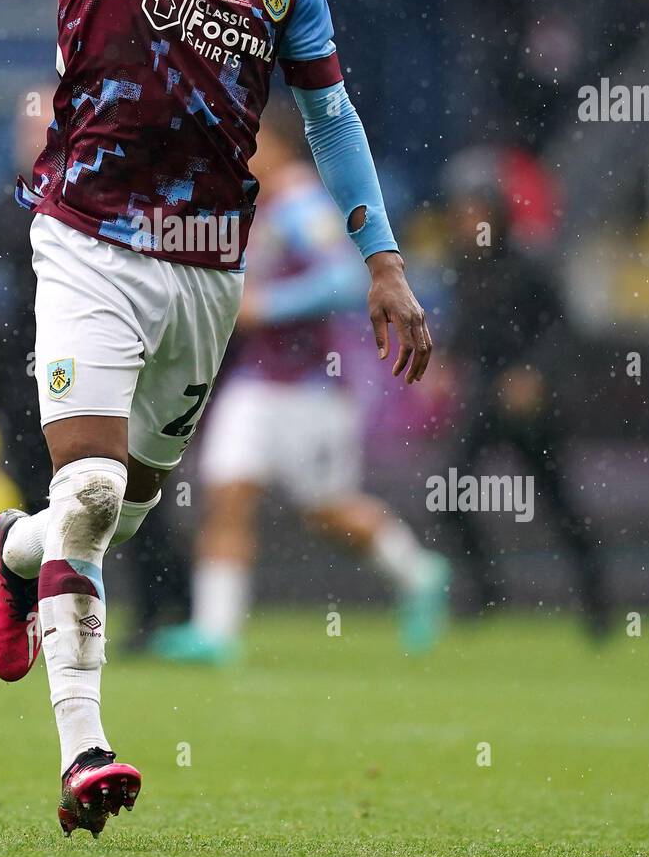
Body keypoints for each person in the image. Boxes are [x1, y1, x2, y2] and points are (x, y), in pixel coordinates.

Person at [0, 0, 432, 836]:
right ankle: (86, 751)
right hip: (86, 239)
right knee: (87, 486)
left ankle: (15, 552)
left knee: (108, 518)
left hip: (205, 270)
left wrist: (379, 258)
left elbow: (328, 117)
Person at [151, 101, 449, 664]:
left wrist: (269, 306)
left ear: (279, 142)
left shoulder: (302, 203)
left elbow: (342, 278)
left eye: (251, 138)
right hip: (256, 382)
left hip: (310, 387)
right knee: (227, 494)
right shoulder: (261, 202)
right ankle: (215, 633)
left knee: (327, 511)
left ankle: (418, 571)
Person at [441, 147, 608, 632]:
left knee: (558, 503)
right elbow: (471, 324)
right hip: (487, 394)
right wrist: (446, 360)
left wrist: (535, 373)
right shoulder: (466, 263)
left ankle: (597, 606)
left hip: (533, 403)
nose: (467, 220)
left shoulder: (531, 261)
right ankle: (488, 591)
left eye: (475, 208)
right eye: (461, 210)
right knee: (450, 490)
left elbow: (564, 328)